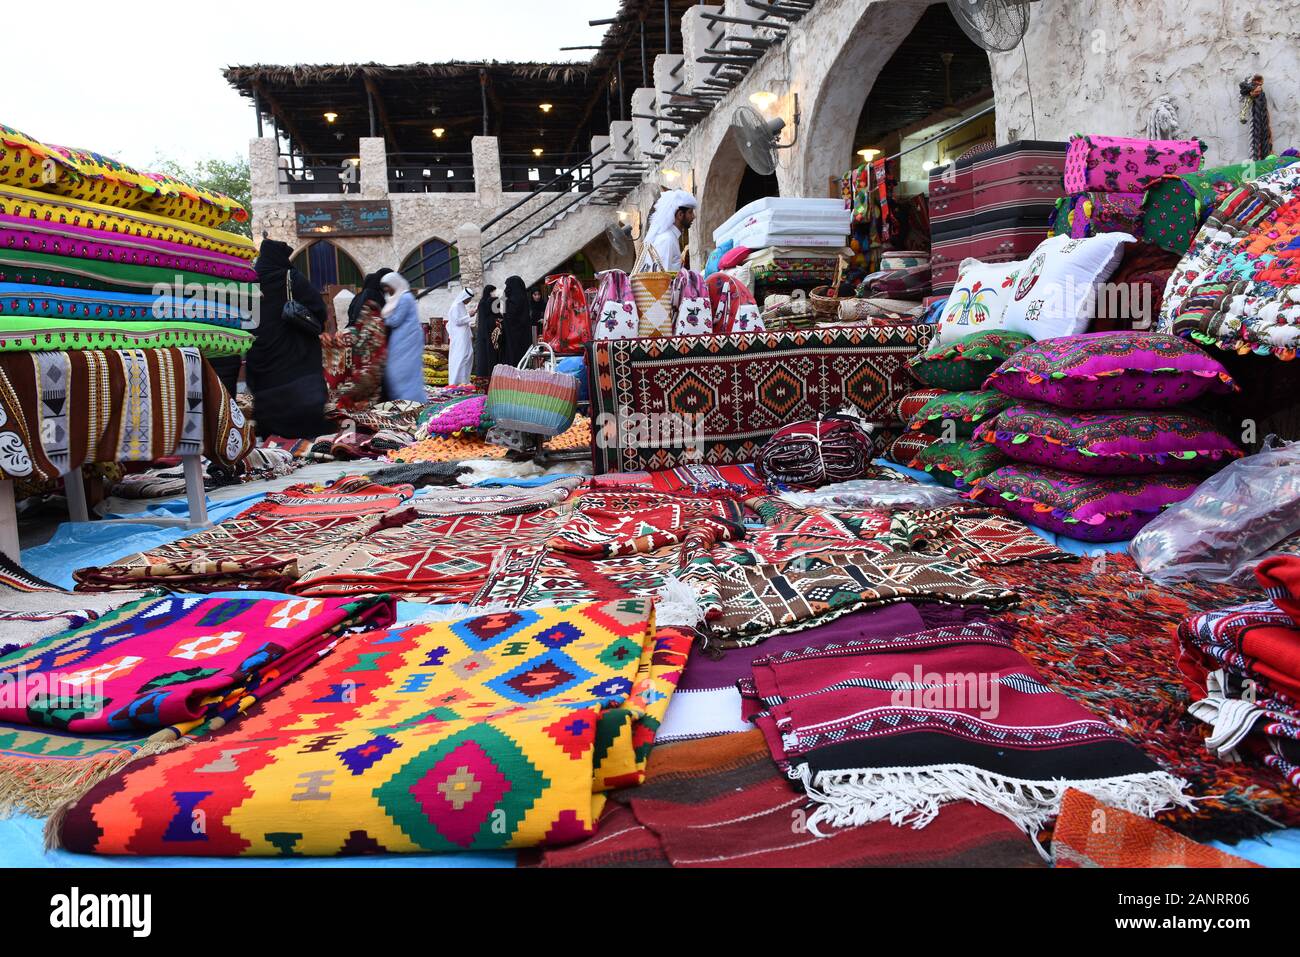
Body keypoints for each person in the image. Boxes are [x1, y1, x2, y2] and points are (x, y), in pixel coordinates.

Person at [246, 239, 332, 438]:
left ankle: (275, 436)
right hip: (295, 352)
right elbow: (319, 310)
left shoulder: (249, 283)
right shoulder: (291, 277)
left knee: (270, 393)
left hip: (262, 353)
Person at [380, 271, 427, 402]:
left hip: (408, 338)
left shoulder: (405, 298)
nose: (386, 289)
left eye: (387, 286)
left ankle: (411, 399)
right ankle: (403, 399)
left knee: (404, 370)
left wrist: (380, 320)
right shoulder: (399, 298)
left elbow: (395, 320)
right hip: (401, 338)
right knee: (397, 370)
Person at [645, 188, 698, 272]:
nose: (693, 216)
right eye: (690, 212)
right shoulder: (667, 239)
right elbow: (662, 278)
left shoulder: (670, 237)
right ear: (680, 214)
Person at [472, 282, 500, 391]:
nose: (494, 293)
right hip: (488, 333)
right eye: (493, 291)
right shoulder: (489, 302)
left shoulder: (483, 302)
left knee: (484, 358)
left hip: (483, 334)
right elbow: (494, 317)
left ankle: (483, 382)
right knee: (488, 357)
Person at [445, 286, 475, 385]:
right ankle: (455, 382)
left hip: (464, 335)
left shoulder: (461, 305)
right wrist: (469, 316)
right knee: (460, 357)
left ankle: (464, 381)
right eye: (468, 299)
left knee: (468, 355)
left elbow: (462, 321)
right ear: (464, 297)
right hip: (459, 337)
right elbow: (457, 321)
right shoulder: (455, 306)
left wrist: (469, 325)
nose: (469, 301)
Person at [501, 275, 532, 368]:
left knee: (515, 356)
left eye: (508, 286)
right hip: (520, 334)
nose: (506, 289)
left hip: (515, 336)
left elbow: (511, 316)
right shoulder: (521, 298)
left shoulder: (514, 300)